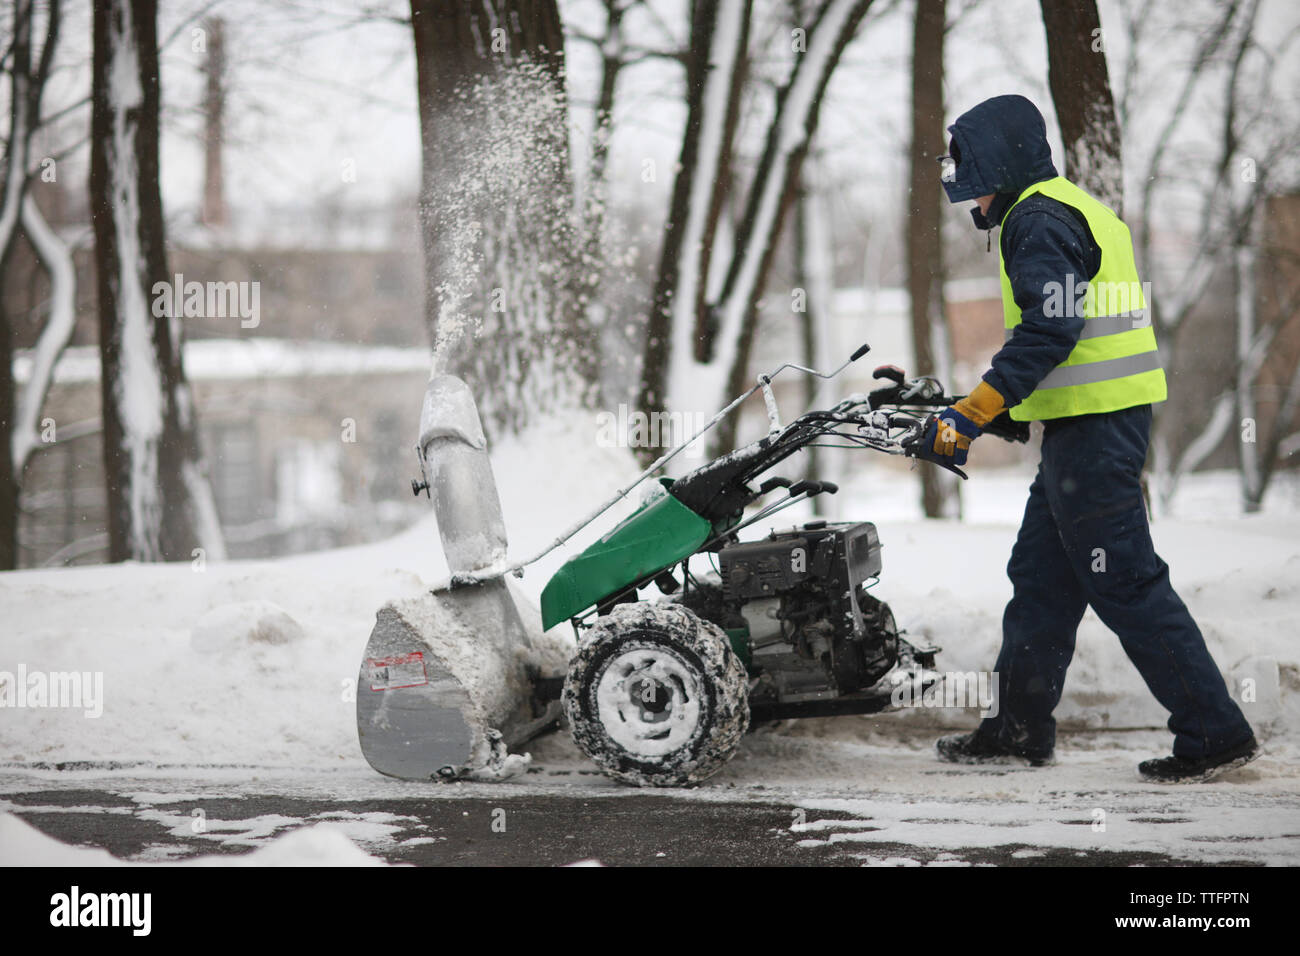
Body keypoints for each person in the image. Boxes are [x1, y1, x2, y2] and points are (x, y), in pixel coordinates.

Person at [915, 93, 1258, 783]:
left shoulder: (1038, 218)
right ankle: (1018, 728)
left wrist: (973, 413)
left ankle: (1214, 731)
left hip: (1098, 433)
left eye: (974, 187)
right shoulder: (1064, 207)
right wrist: (1013, 410)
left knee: (1125, 580)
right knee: (1042, 580)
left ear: (999, 170)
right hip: (1088, 425)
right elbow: (1071, 335)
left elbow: (1050, 328)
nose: (972, 204)